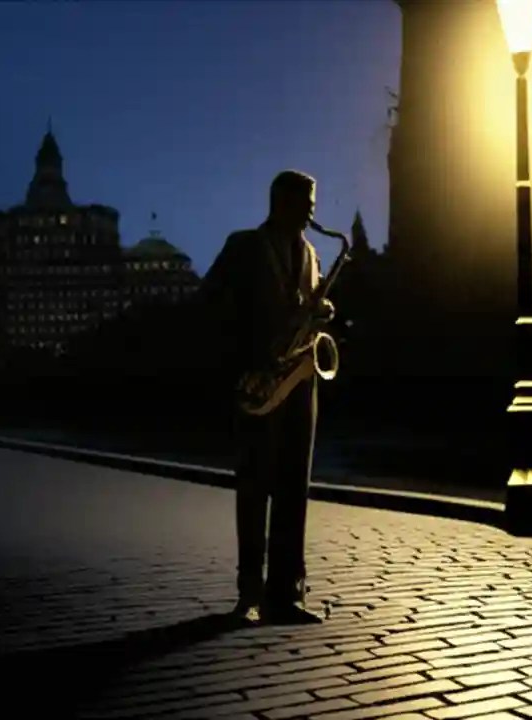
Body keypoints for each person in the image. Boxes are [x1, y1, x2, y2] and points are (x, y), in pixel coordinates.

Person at [196, 170, 333, 625]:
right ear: (282, 201)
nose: (314, 209)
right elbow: (210, 302)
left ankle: (287, 592)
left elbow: (302, 307)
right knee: (254, 487)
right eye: (307, 201)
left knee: (296, 488)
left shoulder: (312, 253)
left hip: (299, 380)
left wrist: (318, 312)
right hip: (259, 378)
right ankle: (249, 595)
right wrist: (244, 359)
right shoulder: (244, 246)